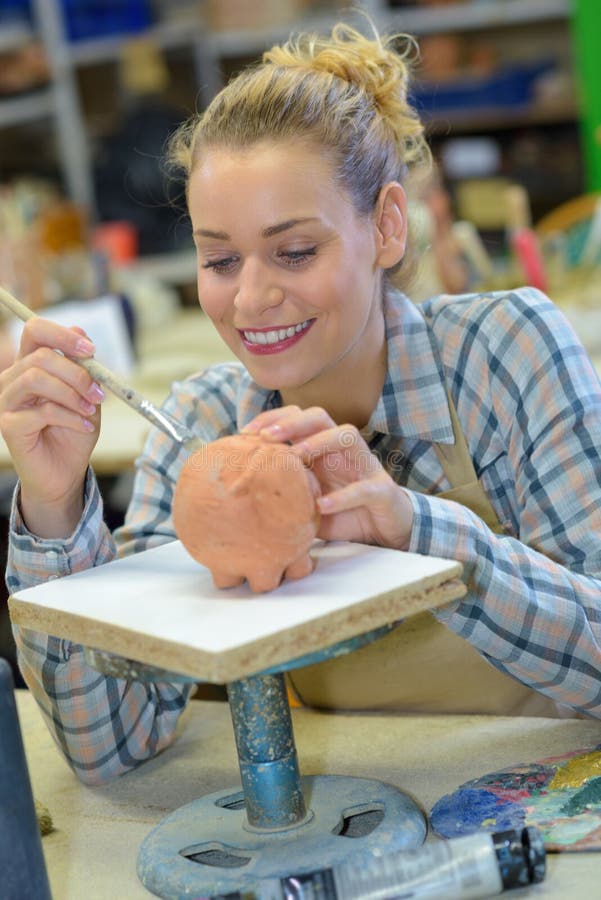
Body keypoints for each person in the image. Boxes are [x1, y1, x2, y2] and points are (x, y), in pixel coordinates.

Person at [1, 23, 601, 786]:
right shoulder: (204, 424)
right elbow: (111, 747)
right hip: (350, 807)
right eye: (219, 259)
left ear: (384, 227)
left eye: (294, 252)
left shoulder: (503, 354)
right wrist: (55, 510)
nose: (250, 298)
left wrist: (417, 531)